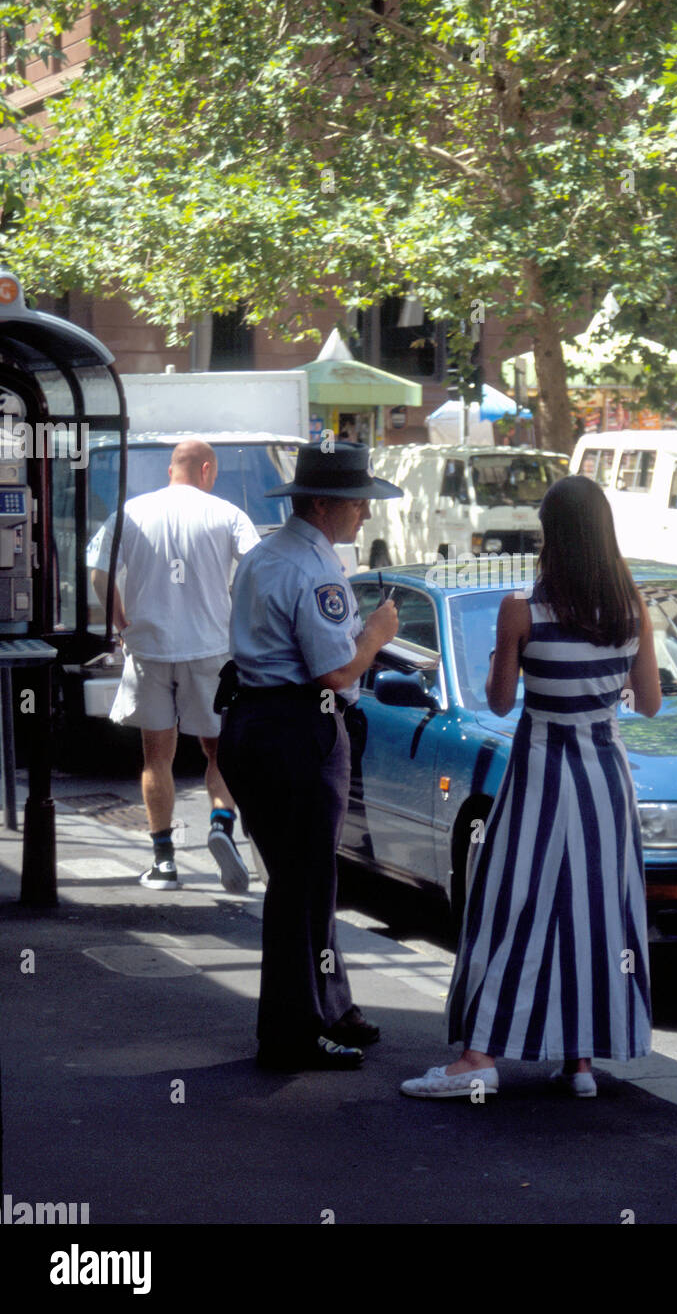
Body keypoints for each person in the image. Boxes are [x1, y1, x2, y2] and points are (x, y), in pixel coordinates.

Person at [401, 473, 662, 1100]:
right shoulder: (631, 608)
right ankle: (580, 1064)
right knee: (594, 909)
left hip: (543, 769)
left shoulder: (522, 608)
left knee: (511, 902)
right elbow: (649, 703)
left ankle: (479, 1057)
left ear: (551, 535)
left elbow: (497, 701)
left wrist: (504, 652)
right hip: (604, 775)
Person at [216, 441, 401, 1072]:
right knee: (302, 886)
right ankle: (292, 1031)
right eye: (357, 504)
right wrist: (377, 634)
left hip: (254, 723)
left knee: (305, 879)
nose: (365, 517)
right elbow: (335, 672)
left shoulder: (268, 554)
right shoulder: (314, 570)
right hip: (299, 731)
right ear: (323, 505)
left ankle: (328, 1006)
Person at [88, 439, 259, 893]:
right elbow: (258, 568)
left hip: (149, 649)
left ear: (171, 470)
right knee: (218, 750)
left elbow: (97, 574)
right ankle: (221, 824)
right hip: (210, 650)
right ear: (206, 470)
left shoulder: (132, 512)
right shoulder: (227, 514)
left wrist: (121, 620)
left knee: (156, 757)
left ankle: (164, 863)